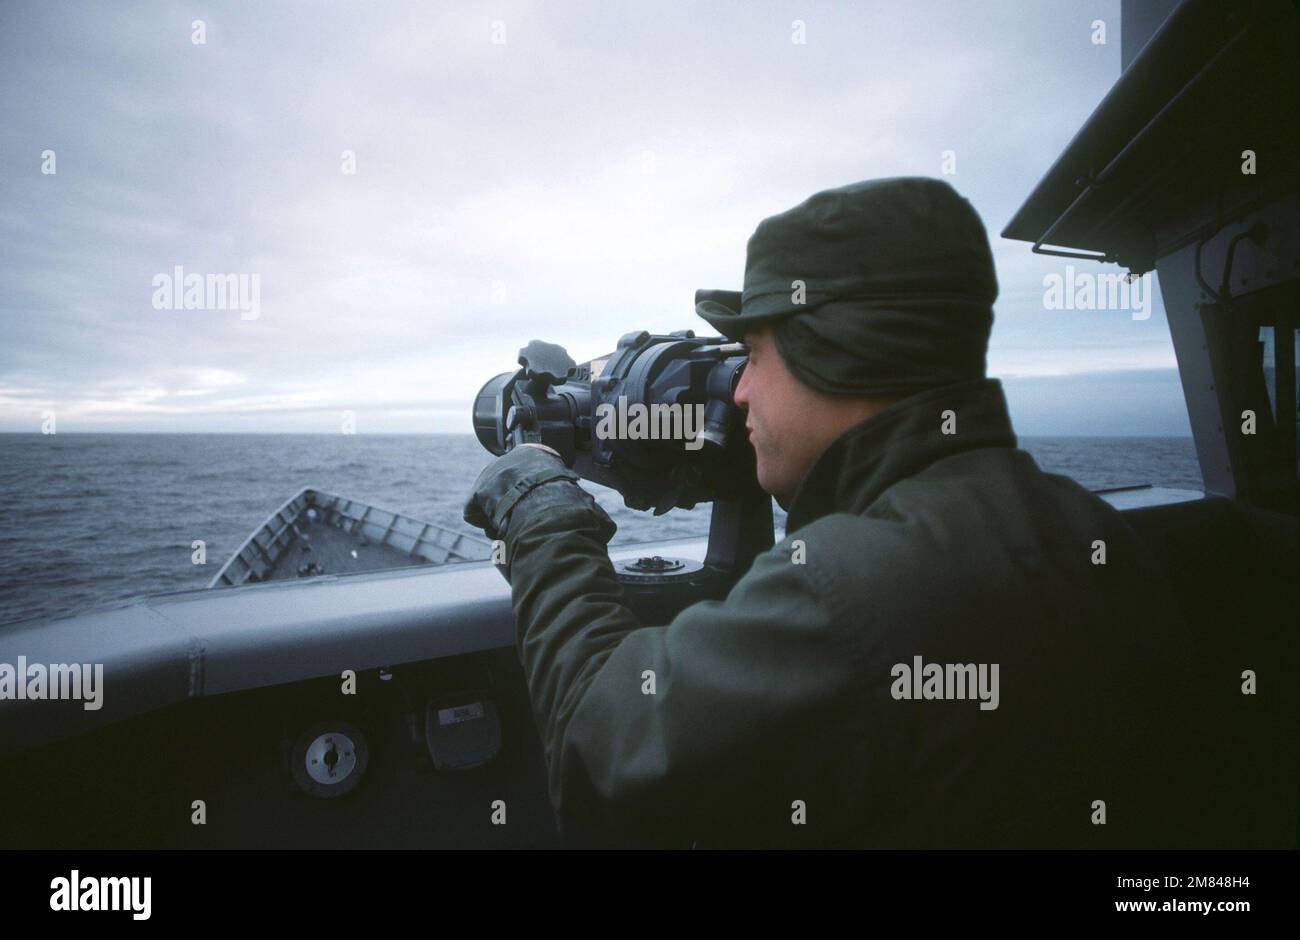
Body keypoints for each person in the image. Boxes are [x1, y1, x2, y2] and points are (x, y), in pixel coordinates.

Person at [463, 177, 1200, 848]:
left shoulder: (850, 594)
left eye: (753, 356)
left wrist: (541, 507)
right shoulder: (1090, 528)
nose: (739, 393)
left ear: (837, 353)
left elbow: (603, 754)